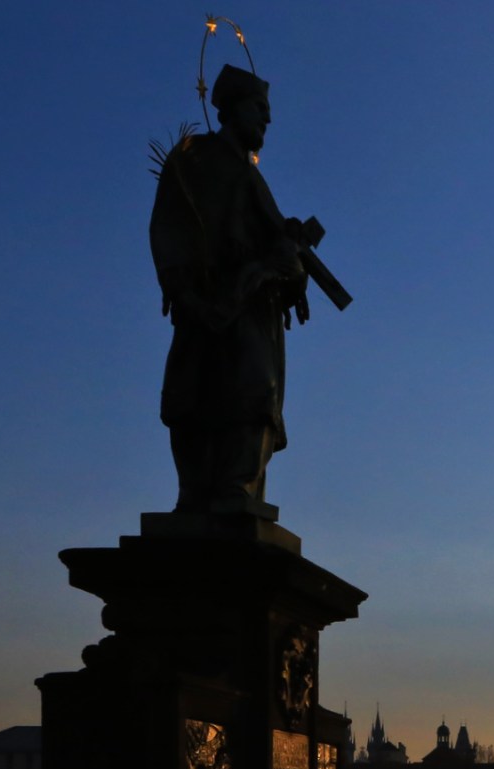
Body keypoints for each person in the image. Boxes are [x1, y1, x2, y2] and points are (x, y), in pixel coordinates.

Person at [150, 64, 310, 515]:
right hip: (205, 300)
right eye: (261, 109)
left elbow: (285, 261)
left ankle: (239, 489)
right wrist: (183, 286)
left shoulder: (255, 180)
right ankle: (196, 492)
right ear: (232, 109)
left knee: (257, 390)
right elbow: (168, 224)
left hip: (253, 308)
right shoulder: (193, 158)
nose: (268, 120)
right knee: (194, 395)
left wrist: (288, 260)